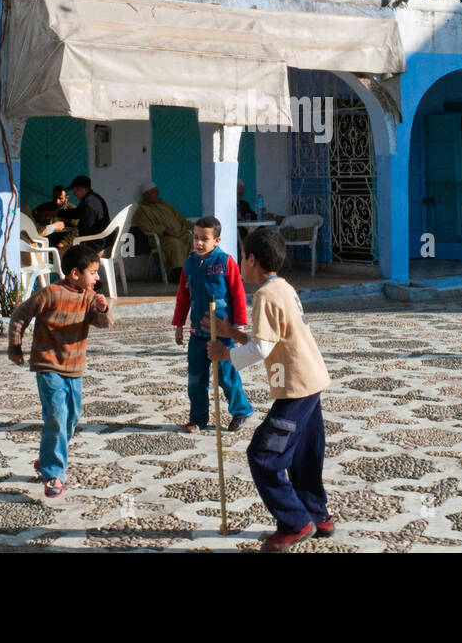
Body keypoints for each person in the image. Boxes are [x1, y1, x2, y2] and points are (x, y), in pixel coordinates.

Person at [208, 226, 333, 552]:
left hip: (295, 388)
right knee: (305, 455)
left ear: (251, 258)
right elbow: (271, 339)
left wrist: (225, 354)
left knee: (264, 455)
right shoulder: (282, 287)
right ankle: (318, 515)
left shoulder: (264, 295)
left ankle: (296, 522)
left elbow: (262, 348)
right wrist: (232, 334)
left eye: (242, 258)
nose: (240, 265)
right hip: (310, 382)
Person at [7, 243, 113, 498]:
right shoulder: (49, 294)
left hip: (75, 367)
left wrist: (103, 308)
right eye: (93, 272)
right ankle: (54, 473)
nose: (97, 277)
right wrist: (15, 347)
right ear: (75, 273)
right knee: (55, 414)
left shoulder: (89, 298)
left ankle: (46, 459)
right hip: (48, 364)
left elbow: (104, 324)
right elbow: (19, 317)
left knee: (71, 418)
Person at [171, 216, 254, 435]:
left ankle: (241, 410)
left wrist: (239, 327)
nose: (198, 243)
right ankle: (198, 418)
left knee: (226, 376)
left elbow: (238, 295)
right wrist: (179, 324)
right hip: (197, 333)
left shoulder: (226, 262)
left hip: (222, 333)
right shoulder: (189, 263)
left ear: (216, 240)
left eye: (204, 239)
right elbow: (183, 296)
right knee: (196, 378)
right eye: (196, 238)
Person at [133, 181, 194, 280]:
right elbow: (146, 226)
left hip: (179, 233)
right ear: (146, 195)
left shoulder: (166, 205)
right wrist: (165, 230)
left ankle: (190, 272)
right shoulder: (141, 209)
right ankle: (178, 274)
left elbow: (181, 219)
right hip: (163, 237)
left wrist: (197, 227)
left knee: (191, 239)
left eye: (156, 191)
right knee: (174, 243)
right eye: (153, 192)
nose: (156, 193)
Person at [58, 176, 111, 247]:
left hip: (97, 244)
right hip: (101, 240)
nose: (74, 193)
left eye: (75, 189)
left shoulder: (88, 203)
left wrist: (67, 241)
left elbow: (86, 228)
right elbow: (77, 213)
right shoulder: (93, 198)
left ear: (82, 188)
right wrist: (58, 213)